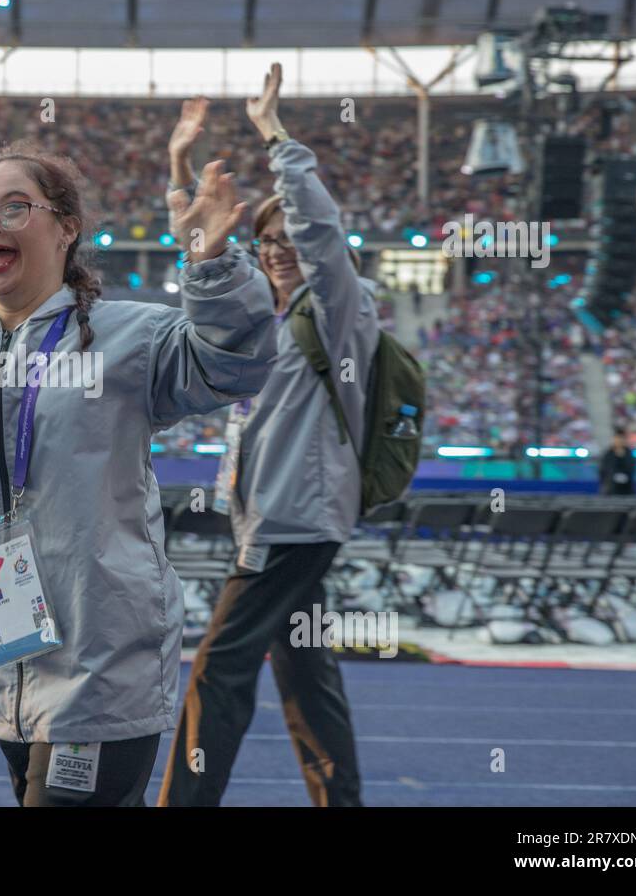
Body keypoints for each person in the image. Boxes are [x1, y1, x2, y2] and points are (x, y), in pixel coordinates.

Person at [0, 141, 274, 806]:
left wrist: (209, 261)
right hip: (2, 649)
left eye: (13, 208)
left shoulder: (130, 339)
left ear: (67, 228)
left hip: (102, 656)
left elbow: (238, 360)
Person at [159, 63, 376, 808]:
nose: (279, 248)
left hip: (292, 524)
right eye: (267, 238)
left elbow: (321, 232)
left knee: (218, 669)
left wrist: (276, 135)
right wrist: (181, 166)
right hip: (269, 518)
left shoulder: (342, 312)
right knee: (307, 673)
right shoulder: (262, 316)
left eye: (289, 239)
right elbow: (204, 255)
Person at [599, 427, 636, 495]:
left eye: (621, 438)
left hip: (627, 487)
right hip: (611, 487)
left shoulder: (628, 453)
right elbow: (603, 470)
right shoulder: (608, 453)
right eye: (617, 438)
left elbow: (632, 468)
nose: (619, 440)